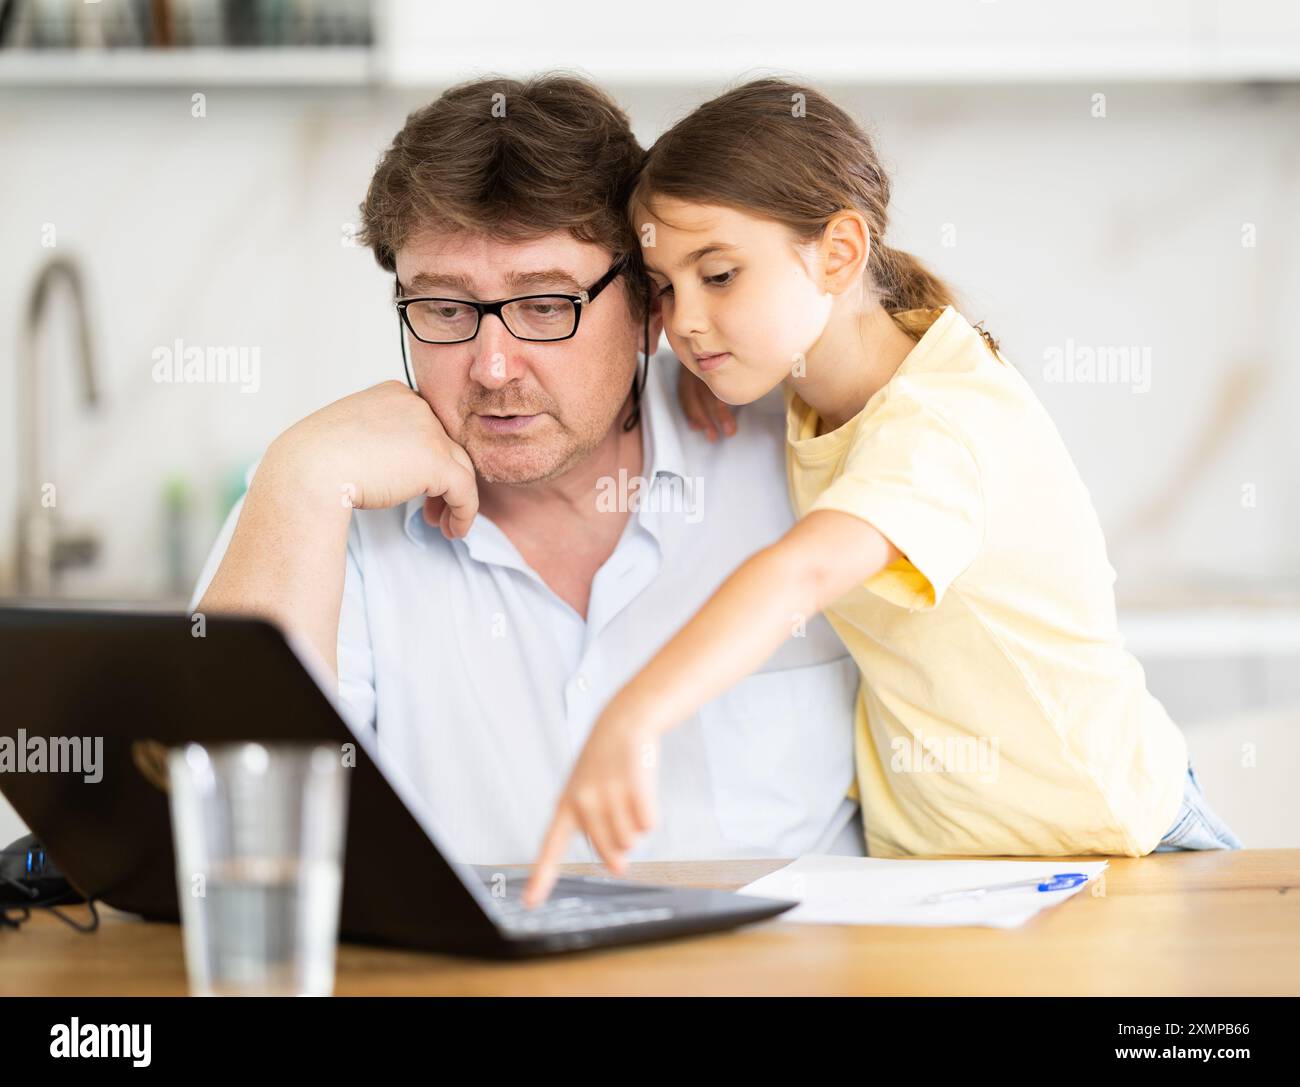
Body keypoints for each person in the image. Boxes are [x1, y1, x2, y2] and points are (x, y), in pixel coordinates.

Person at [524, 78, 1242, 907]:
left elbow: (799, 574)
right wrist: (715, 367)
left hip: (1106, 847)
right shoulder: (811, 375)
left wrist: (634, 715)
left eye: (717, 275)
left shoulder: (938, 425)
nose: (683, 320)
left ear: (838, 253)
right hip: (948, 868)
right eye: (666, 287)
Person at [190, 73, 867, 868]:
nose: (492, 366)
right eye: (444, 308)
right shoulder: (319, 505)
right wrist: (297, 474)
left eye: (546, 304)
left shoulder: (807, 454)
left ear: (650, 306)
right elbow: (227, 853)